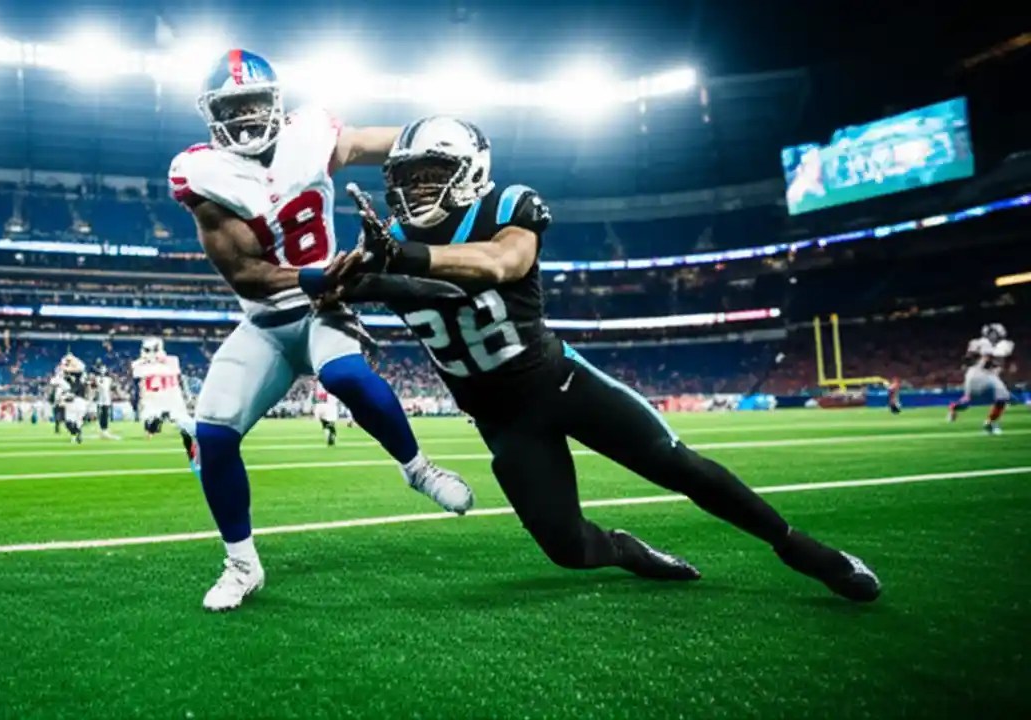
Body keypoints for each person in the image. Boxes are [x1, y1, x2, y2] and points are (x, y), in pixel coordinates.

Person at [307, 116, 881, 602]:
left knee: (682, 466)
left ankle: (800, 547)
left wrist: (405, 258)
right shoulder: (387, 242)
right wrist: (332, 282)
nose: (416, 191)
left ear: (470, 172)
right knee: (569, 550)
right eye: (406, 178)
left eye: (431, 176)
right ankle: (628, 550)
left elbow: (501, 263)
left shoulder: (507, 205)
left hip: (562, 383)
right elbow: (325, 288)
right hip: (503, 422)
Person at [167, 49, 473, 611]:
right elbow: (247, 274)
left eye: (253, 105)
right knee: (212, 437)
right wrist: (318, 274)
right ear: (211, 116)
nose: (245, 119)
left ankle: (419, 470)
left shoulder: (309, 136)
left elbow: (366, 143)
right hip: (267, 320)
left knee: (347, 376)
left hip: (323, 312)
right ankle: (242, 565)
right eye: (231, 110)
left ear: (275, 104)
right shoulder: (205, 175)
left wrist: (435, 139)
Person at [131, 337, 196, 460]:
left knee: (186, 425)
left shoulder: (171, 361)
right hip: (154, 398)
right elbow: (138, 374)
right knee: (151, 420)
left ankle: (194, 450)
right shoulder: (141, 365)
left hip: (171, 396)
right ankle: (153, 429)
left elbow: (174, 372)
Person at [948, 323, 1014, 434]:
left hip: (982, 375)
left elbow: (968, 360)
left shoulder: (1000, 344)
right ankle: (988, 422)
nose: (995, 336)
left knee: (1000, 398)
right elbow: (970, 360)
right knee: (999, 399)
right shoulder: (985, 344)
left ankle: (988, 423)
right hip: (980, 374)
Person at [93, 360, 120, 440]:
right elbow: (100, 387)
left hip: (106, 399)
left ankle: (105, 430)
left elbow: (106, 387)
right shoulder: (98, 378)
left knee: (105, 415)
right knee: (101, 415)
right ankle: (103, 430)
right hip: (101, 400)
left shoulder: (108, 379)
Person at [312, 380, 339, 446]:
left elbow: (317, 394)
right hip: (330, 405)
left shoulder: (320, 385)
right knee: (330, 423)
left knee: (324, 423)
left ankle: (329, 435)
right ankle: (331, 434)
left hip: (321, 405)